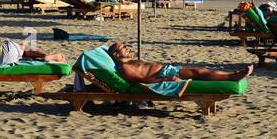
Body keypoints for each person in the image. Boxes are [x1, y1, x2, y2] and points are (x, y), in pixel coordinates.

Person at [106, 42, 252, 85]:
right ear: (116, 54)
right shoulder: (124, 68)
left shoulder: (129, 62)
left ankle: (231, 75)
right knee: (197, 73)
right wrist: (165, 79)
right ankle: (232, 76)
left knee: (198, 70)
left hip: (165, 69)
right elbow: (141, 81)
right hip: (163, 74)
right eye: (122, 47)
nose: (126, 47)